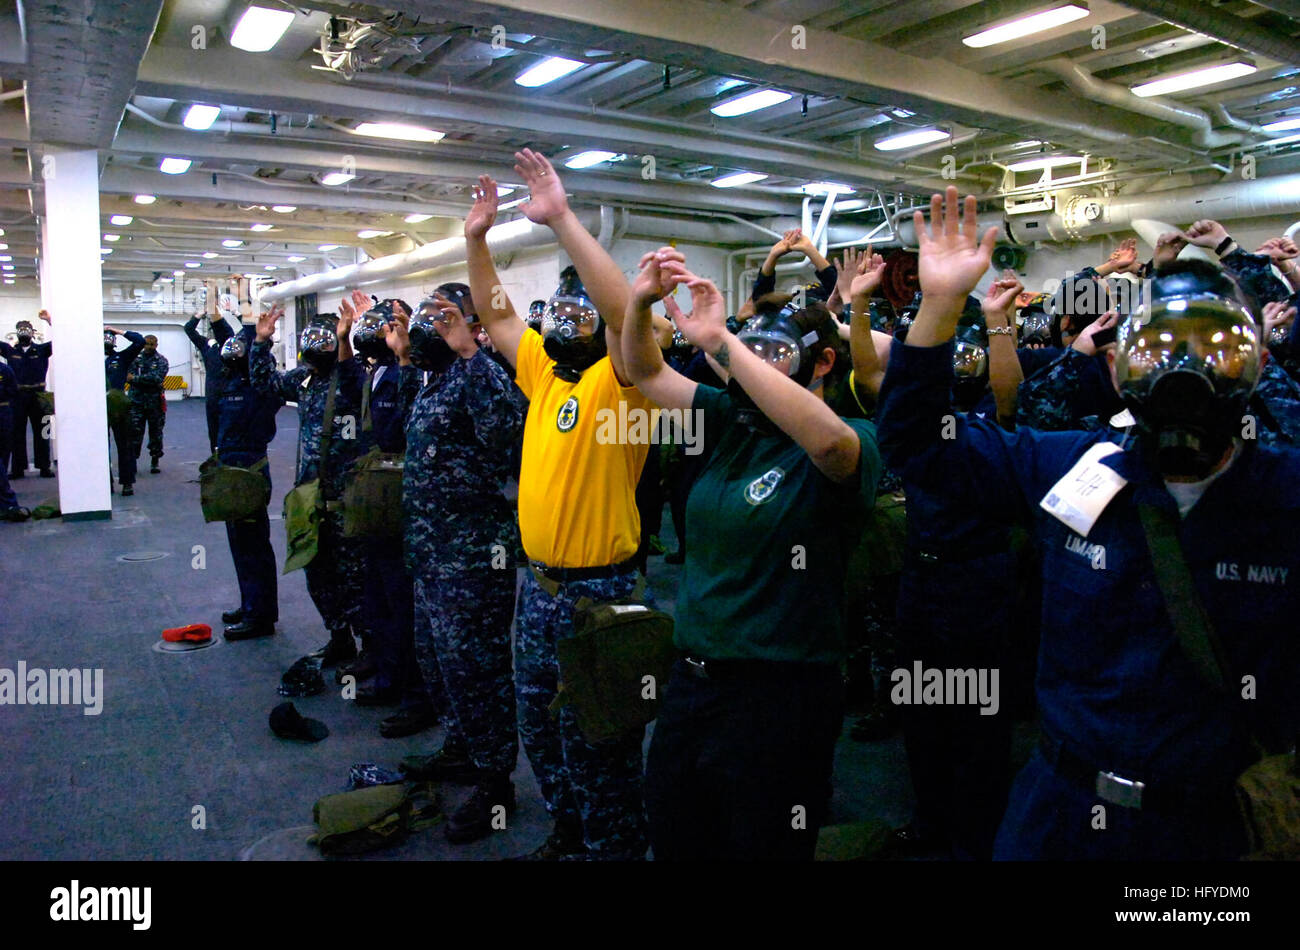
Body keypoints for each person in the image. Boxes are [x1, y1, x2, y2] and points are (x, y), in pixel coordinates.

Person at [877, 186, 1300, 860]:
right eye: (1158, 348)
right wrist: (937, 305)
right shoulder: (1075, 466)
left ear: (1260, 366)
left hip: (1208, 829)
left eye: (1211, 349)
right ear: (1118, 359)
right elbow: (920, 444)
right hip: (1060, 810)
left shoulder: (1285, 497)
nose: (1182, 370)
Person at [621, 246, 879, 860]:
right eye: (754, 349)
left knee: (763, 846)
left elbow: (834, 446)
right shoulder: (731, 420)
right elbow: (647, 373)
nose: (755, 368)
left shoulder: (849, 437)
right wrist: (637, 303)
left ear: (820, 363)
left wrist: (725, 347)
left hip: (779, 696)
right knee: (677, 831)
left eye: (774, 355)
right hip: (694, 682)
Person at [463, 152, 657, 861]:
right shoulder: (543, 373)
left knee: (598, 738)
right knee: (541, 727)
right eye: (561, 307)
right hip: (537, 589)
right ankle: (569, 829)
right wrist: (477, 240)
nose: (571, 319)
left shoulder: (627, 379)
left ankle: (613, 846)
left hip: (597, 596)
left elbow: (619, 313)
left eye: (585, 310)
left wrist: (562, 219)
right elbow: (494, 311)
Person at [388, 290, 526, 844]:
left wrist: (470, 352)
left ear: (469, 324)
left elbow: (509, 433)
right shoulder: (432, 381)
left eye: (440, 318)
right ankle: (460, 747)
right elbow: (401, 431)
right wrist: (402, 358)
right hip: (429, 554)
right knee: (438, 662)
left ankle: (496, 781)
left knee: (478, 670)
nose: (427, 328)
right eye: (425, 318)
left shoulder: (484, 373)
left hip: (472, 559)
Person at [250, 303, 369, 667]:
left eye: (326, 341)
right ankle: (339, 637)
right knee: (316, 571)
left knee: (355, 577)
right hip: (310, 494)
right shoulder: (305, 377)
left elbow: (352, 373)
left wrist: (349, 336)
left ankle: (372, 648)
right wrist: (260, 343)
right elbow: (265, 387)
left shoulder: (350, 377)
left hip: (345, 497)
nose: (316, 349)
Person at [212, 326, 283, 641]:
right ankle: (250, 603)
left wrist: (262, 344)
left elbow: (264, 376)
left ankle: (260, 616)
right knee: (240, 543)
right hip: (229, 466)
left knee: (253, 545)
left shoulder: (261, 387)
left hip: (250, 469)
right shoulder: (229, 381)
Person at [184, 279, 237, 455]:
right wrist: (201, 313)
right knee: (213, 429)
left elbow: (220, 326)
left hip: (229, 390)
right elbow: (189, 329)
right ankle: (216, 459)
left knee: (231, 427)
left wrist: (212, 295)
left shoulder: (228, 342)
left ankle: (231, 459)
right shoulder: (206, 345)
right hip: (213, 391)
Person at [1, 311, 54, 478]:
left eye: (27, 329)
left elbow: (62, 338)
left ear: (33, 332)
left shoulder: (42, 349)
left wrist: (49, 320)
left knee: (43, 432)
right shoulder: (10, 351)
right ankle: (18, 469)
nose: (24, 331)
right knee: (16, 433)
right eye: (21, 329)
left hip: (39, 396)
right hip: (18, 397)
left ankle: (44, 467)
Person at [104, 326, 146, 496]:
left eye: (109, 337)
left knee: (125, 445)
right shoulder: (88, 360)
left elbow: (140, 341)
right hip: (97, 405)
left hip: (119, 404)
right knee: (99, 447)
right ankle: (105, 481)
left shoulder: (121, 358)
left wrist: (118, 331)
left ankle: (127, 482)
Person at [126, 335, 169, 474]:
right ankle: (133, 461)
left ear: (156, 345)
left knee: (156, 432)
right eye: (146, 344)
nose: (149, 347)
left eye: (152, 344)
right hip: (136, 402)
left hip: (154, 403)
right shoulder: (135, 359)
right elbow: (128, 377)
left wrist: (136, 379)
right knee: (134, 432)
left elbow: (157, 378)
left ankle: (155, 460)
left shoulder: (161, 360)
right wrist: (140, 379)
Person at [0, 359, 30, 521]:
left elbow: (13, 391)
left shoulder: (5, 370)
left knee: (4, 457)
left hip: (3, 412)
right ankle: (8, 501)